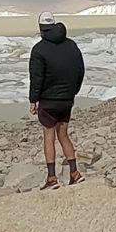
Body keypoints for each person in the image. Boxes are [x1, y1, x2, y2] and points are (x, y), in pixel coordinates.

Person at [28, 11, 85, 189]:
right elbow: (80, 71)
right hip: (67, 99)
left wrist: (33, 100)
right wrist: (72, 92)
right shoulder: (72, 45)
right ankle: (75, 173)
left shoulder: (39, 49)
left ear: (40, 28)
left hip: (48, 100)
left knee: (49, 136)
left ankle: (52, 178)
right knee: (64, 135)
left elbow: (36, 77)